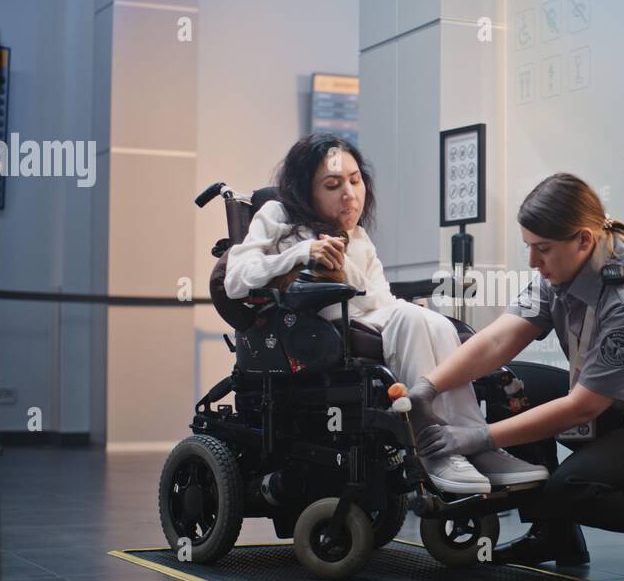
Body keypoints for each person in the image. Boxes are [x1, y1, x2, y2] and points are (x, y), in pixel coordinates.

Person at [410, 173, 624, 578]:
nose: (533, 261)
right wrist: (428, 386)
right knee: (506, 383)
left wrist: (477, 437)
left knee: (573, 488)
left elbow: (584, 407)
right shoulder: (560, 271)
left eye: (542, 249)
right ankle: (553, 533)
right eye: (529, 247)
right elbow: (500, 341)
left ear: (583, 240)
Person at [222, 133, 547, 495]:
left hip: (371, 318)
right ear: (305, 190)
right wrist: (300, 254)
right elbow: (235, 281)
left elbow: (381, 300)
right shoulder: (278, 215)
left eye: (355, 180)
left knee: (434, 322)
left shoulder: (355, 233)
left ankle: (474, 444)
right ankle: (433, 448)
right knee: (412, 320)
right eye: (333, 185)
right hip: (316, 326)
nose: (349, 193)